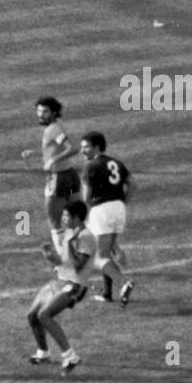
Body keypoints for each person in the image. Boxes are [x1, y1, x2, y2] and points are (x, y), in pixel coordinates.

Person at [27, 199, 92, 373]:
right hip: (61, 281)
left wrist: (70, 245)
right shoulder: (69, 233)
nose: (63, 218)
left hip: (74, 285)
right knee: (32, 316)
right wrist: (50, 256)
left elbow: (79, 266)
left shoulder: (86, 237)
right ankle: (43, 353)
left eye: (66, 216)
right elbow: (63, 261)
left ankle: (71, 356)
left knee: (44, 315)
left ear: (77, 218)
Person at [79, 130, 134, 306]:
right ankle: (107, 294)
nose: (82, 151)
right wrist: (122, 203)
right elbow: (132, 184)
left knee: (97, 258)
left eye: (86, 147)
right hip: (119, 208)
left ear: (96, 147)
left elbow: (86, 197)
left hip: (101, 210)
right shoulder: (116, 162)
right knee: (107, 251)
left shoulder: (90, 166)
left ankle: (123, 282)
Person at [23, 96, 80, 233]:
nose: (40, 115)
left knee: (55, 223)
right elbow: (55, 149)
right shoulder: (58, 125)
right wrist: (36, 152)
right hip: (71, 176)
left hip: (58, 179)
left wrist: (53, 160)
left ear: (54, 112)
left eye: (45, 112)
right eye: (39, 111)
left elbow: (73, 148)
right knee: (75, 218)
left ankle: (62, 246)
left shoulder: (53, 129)